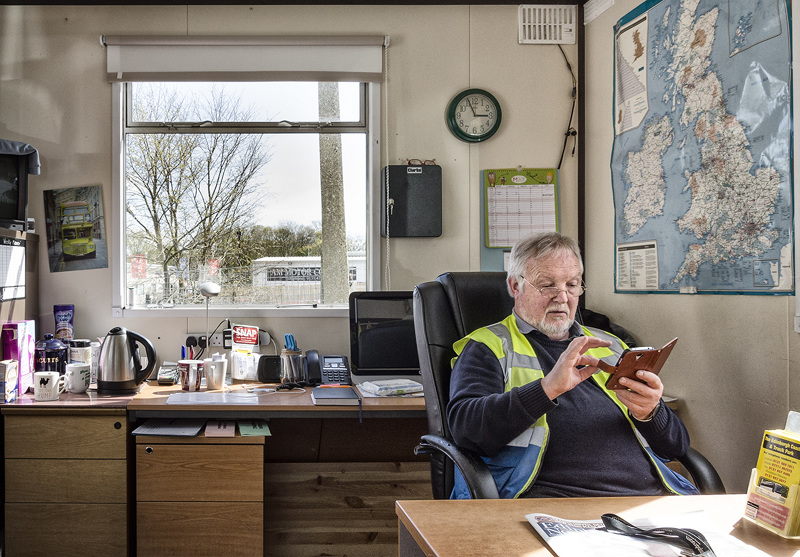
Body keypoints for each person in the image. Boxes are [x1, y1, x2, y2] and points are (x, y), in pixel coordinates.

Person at [446, 232, 698, 499]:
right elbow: (466, 431)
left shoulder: (611, 346)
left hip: (646, 501)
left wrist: (651, 412)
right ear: (515, 286)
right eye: (547, 285)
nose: (562, 297)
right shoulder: (488, 346)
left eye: (572, 284)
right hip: (555, 505)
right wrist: (545, 390)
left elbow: (677, 447)